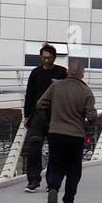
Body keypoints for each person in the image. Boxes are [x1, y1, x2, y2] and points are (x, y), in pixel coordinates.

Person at [33, 58, 97, 203]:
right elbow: (91, 115)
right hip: (75, 135)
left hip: (55, 133)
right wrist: (93, 116)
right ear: (82, 73)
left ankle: (53, 188)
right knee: (74, 171)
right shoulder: (86, 91)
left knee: (56, 164)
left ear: (68, 71)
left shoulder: (56, 86)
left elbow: (40, 104)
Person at [22, 45, 67, 193]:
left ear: (54, 57)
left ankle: (52, 182)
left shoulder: (61, 73)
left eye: (49, 57)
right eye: (44, 57)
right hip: (38, 116)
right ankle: (33, 180)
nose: (46, 60)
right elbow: (29, 95)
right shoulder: (35, 73)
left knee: (56, 150)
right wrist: (27, 115)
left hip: (56, 116)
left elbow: (68, 93)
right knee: (34, 146)